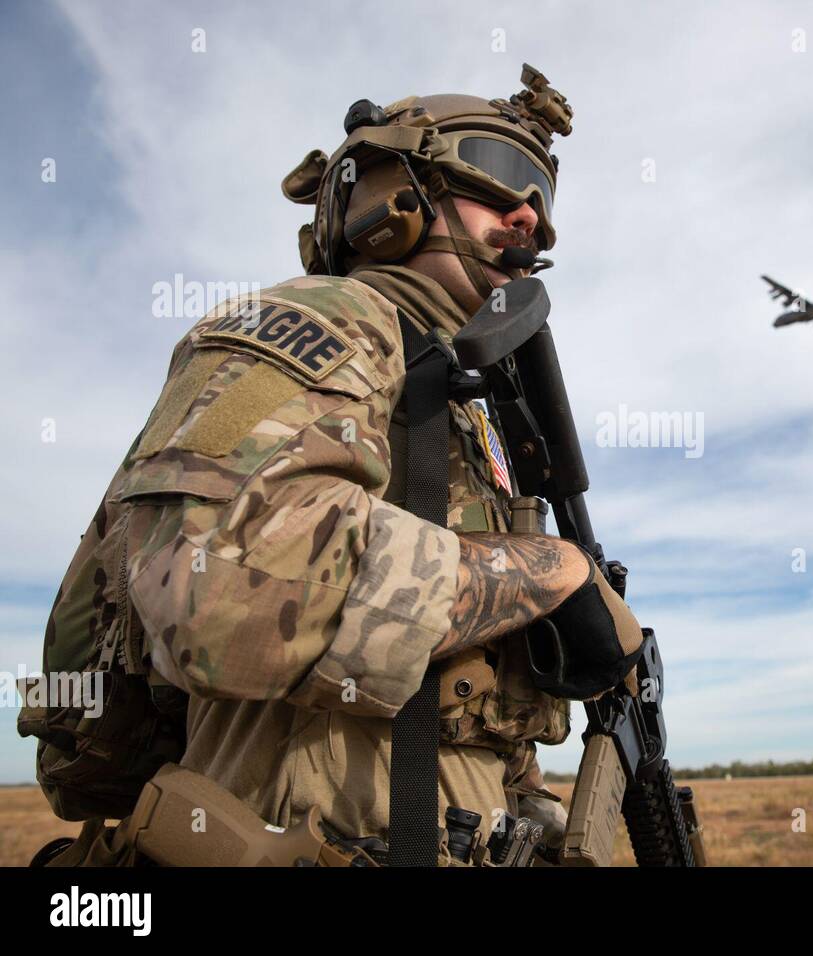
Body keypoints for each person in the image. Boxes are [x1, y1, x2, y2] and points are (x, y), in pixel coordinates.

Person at [27, 64, 639, 865]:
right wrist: (551, 571)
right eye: (497, 176)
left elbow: (467, 726)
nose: (532, 216)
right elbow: (224, 595)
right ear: (394, 194)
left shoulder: (453, 410)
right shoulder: (325, 319)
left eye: (544, 200)